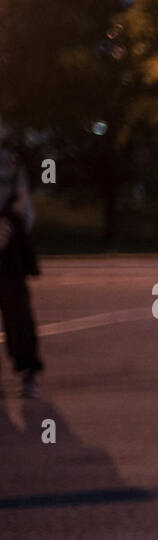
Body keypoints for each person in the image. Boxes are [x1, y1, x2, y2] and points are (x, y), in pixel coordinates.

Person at [0, 115, 41, 399]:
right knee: (18, 317)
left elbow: (24, 210)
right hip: (10, 255)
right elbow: (26, 213)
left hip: (9, 256)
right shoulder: (13, 164)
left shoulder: (11, 165)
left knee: (18, 316)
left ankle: (28, 373)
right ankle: (28, 374)